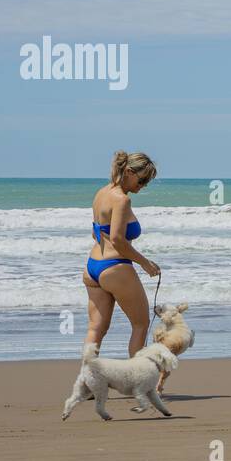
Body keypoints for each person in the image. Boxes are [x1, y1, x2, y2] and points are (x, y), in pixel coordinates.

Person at [84, 150, 160, 357]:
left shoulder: (101, 193)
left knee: (96, 329)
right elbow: (118, 240)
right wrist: (145, 263)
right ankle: (138, 382)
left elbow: (95, 232)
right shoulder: (121, 200)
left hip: (92, 267)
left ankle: (87, 382)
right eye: (142, 179)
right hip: (115, 267)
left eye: (147, 182)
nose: (143, 185)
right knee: (140, 324)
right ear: (128, 171)